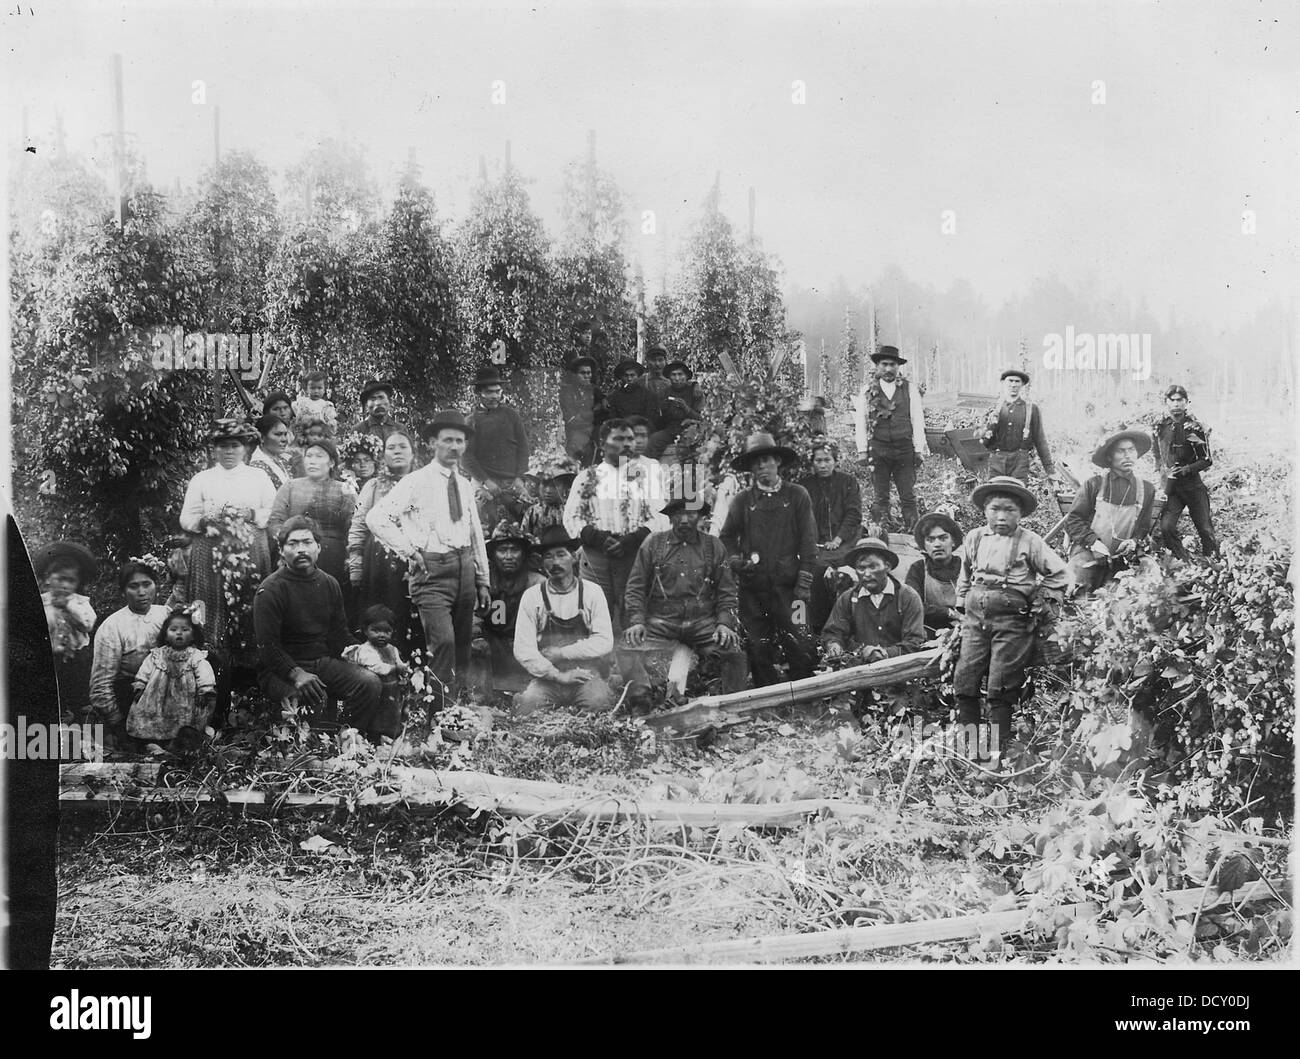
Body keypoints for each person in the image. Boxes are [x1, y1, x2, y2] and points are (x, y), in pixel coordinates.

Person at [367, 410, 492, 699]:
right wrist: (409, 550)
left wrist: (483, 580)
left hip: (465, 570)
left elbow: (475, 533)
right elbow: (377, 518)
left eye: (459, 441)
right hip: (432, 572)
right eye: (447, 440)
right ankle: (439, 712)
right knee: (444, 642)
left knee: (463, 642)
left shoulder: (464, 483)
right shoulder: (416, 482)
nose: (454, 447)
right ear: (432, 443)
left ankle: (458, 711)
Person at [954, 476, 1070, 766]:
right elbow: (966, 574)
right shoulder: (975, 537)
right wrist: (961, 603)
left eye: (1010, 510)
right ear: (985, 510)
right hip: (975, 621)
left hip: (1011, 624)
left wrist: (1042, 598)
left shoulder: (1030, 541)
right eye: (995, 509)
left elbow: (1060, 574)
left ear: (1020, 513)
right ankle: (971, 751)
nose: (1002, 516)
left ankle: (994, 757)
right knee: (964, 682)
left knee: (1000, 688)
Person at [253, 516, 389, 740]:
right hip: (282, 670)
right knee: (312, 697)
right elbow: (268, 648)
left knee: (370, 683)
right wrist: (297, 674)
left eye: (307, 542)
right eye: (293, 544)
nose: (301, 550)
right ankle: (312, 748)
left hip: (321, 662)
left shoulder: (329, 583)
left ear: (318, 547)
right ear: (281, 550)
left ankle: (346, 738)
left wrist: (368, 653)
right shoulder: (270, 589)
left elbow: (339, 635)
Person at [719, 432, 820, 686]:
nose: (762, 467)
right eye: (756, 463)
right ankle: (769, 699)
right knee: (756, 643)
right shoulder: (743, 501)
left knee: (800, 638)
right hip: (754, 588)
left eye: (766, 460)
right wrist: (736, 562)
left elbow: (809, 542)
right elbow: (727, 537)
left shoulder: (797, 495)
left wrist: (804, 583)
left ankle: (806, 694)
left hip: (791, 588)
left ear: (777, 462)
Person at [622, 496, 745, 701]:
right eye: (679, 514)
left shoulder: (714, 546)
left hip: (702, 622)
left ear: (700, 517)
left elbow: (727, 591)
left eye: (691, 513)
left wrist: (724, 624)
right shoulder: (653, 543)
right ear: (670, 517)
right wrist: (636, 622)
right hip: (661, 622)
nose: (685, 520)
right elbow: (635, 587)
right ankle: (642, 703)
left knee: (733, 651)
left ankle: (736, 706)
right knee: (626, 648)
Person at [178, 419, 275, 662]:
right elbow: (187, 517)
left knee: (249, 602)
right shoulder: (202, 479)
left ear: (245, 449)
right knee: (209, 606)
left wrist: (251, 514)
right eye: (223, 446)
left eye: (234, 445)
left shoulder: (258, 477)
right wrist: (204, 521)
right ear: (215, 449)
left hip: (249, 552)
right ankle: (208, 655)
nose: (229, 452)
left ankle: (250, 660)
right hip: (210, 553)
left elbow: (273, 512)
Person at [563, 418, 668, 637]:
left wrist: (634, 538)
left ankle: (631, 668)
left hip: (634, 554)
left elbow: (660, 514)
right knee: (593, 614)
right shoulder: (586, 477)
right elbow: (572, 518)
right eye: (619, 439)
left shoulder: (645, 475)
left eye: (630, 439)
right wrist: (597, 538)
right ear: (603, 444)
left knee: (634, 613)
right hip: (595, 557)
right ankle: (598, 666)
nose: (628, 444)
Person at [513, 526, 615, 715]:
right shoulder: (532, 596)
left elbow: (604, 641)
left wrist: (562, 652)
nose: (555, 562)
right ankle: (524, 696)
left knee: (599, 705)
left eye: (561, 555)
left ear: (574, 557)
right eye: (548, 557)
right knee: (526, 710)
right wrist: (559, 676)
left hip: (586, 675)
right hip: (548, 677)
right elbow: (522, 649)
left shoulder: (592, 592)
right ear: (542, 562)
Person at [348, 430, 419, 651]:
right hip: (378, 564)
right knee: (380, 614)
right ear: (384, 455)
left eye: (402, 447)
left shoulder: (424, 484)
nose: (397, 451)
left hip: (415, 559)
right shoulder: (373, 487)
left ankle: (413, 669)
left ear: (413, 453)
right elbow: (359, 524)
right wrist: (356, 565)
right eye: (391, 448)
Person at [1064, 430, 1158, 594]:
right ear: (1109, 457)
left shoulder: (1146, 489)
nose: (1127, 455)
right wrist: (1094, 543)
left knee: (1149, 582)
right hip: (1090, 552)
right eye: (1121, 451)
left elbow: (1143, 527)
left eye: (1131, 450)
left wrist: (1134, 542)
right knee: (1073, 589)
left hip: (1123, 558)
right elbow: (1073, 520)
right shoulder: (1094, 485)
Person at [89, 559, 171, 741]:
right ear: (123, 591)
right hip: (133, 698)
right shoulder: (113, 626)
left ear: (156, 585)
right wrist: (119, 725)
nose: (142, 592)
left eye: (147, 584)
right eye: (134, 586)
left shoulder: (165, 614)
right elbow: (100, 687)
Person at [268, 438, 358, 589]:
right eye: (309, 456)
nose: (312, 461)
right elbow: (275, 521)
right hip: (294, 554)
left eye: (319, 456)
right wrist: (286, 546)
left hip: (331, 557)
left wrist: (351, 559)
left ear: (332, 463)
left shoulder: (345, 489)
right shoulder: (290, 486)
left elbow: (353, 526)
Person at [821, 537, 926, 664]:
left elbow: (915, 642)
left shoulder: (908, 597)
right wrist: (834, 645)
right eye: (861, 568)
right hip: (857, 669)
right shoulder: (847, 599)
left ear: (887, 567)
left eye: (873, 567)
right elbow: (833, 631)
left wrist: (885, 653)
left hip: (899, 668)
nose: (866, 574)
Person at [857, 345, 929, 532]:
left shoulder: (909, 389)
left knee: (908, 495)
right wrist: (862, 450)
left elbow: (917, 419)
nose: (888, 369)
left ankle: (914, 533)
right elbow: (861, 422)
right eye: (884, 364)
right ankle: (880, 533)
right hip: (878, 449)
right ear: (877, 366)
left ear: (898, 367)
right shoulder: (867, 390)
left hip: (904, 449)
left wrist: (919, 449)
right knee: (880, 496)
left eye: (892, 365)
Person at [797, 440, 863, 631]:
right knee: (814, 571)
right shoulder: (805, 486)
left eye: (827, 460)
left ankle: (843, 625)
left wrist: (838, 539)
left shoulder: (848, 482)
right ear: (812, 463)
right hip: (817, 545)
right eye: (818, 460)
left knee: (841, 571)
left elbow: (854, 514)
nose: (823, 465)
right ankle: (814, 626)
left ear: (835, 460)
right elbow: (801, 519)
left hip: (845, 541)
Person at [471, 522, 544, 694]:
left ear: (524, 554)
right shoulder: (483, 585)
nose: (509, 556)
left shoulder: (537, 583)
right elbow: (473, 618)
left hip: (527, 647)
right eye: (502, 550)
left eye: (514, 550)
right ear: (493, 555)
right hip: (494, 646)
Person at [127, 608, 217, 744]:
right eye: (173, 630)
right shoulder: (157, 655)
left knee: (184, 723)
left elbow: (205, 674)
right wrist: (140, 685)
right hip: (158, 697)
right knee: (155, 719)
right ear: (165, 635)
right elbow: (145, 671)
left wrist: (205, 690)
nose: (179, 633)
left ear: (193, 635)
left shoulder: (196, 656)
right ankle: (154, 741)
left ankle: (179, 743)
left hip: (186, 698)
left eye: (185, 629)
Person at [1153, 384, 1219, 562]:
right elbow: (1157, 453)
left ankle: (1212, 563)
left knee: (1205, 529)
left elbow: (1207, 459)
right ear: (1166, 403)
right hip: (1172, 489)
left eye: (1179, 400)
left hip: (1193, 487)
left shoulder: (1194, 428)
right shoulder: (1160, 427)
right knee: (1166, 527)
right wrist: (1163, 470)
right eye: (1172, 400)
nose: (1176, 404)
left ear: (1186, 402)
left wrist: (1187, 469)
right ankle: (1184, 560)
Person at [35, 541, 98, 721]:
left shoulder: (80, 602)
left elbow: (88, 624)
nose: (65, 585)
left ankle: (85, 723)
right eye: (60, 578)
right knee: (55, 693)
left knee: (80, 692)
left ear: (77, 583)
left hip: (78, 656)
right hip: (52, 657)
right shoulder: (42, 602)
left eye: (70, 580)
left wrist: (69, 606)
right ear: (48, 578)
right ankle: (59, 725)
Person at [464, 365, 531, 525]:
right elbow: (466, 457)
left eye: (498, 391)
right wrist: (486, 481)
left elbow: (523, 449)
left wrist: (519, 478)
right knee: (482, 526)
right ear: (478, 393)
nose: (495, 396)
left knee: (527, 520)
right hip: (485, 484)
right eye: (489, 392)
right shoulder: (471, 421)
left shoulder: (511, 415)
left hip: (512, 482)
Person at [342, 605, 410, 739]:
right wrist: (394, 668)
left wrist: (402, 667)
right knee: (375, 717)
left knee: (391, 713)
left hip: (392, 691)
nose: (382, 635)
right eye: (376, 630)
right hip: (375, 692)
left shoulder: (392, 648)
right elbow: (376, 667)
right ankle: (373, 736)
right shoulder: (364, 650)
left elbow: (398, 662)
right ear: (366, 631)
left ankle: (390, 735)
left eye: (387, 631)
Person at [980, 369, 1057, 484]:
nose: (1013, 385)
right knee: (994, 495)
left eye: (1017, 381)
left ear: (1022, 385)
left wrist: (1050, 470)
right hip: (997, 460)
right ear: (1004, 383)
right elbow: (984, 441)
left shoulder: (1031, 409)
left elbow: (1040, 439)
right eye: (1010, 381)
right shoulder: (994, 408)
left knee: (1018, 495)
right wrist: (986, 431)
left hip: (1020, 462)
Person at [905, 513, 965, 635]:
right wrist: (949, 613)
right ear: (924, 545)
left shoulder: (965, 567)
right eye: (930, 540)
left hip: (965, 629)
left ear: (953, 542)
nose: (937, 544)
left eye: (943, 538)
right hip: (929, 632)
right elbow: (913, 605)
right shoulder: (918, 569)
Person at [646, 361, 702, 458]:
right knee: (653, 440)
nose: (677, 379)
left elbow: (702, 418)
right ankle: (653, 469)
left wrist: (686, 408)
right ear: (669, 377)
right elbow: (658, 423)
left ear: (686, 376)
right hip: (671, 430)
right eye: (673, 375)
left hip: (691, 430)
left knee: (693, 450)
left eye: (680, 374)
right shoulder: (664, 393)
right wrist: (662, 411)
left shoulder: (695, 392)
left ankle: (695, 472)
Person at [521, 459, 577, 540]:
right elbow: (524, 536)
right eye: (545, 484)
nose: (548, 491)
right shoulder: (533, 512)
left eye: (554, 486)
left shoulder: (570, 511)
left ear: (564, 487)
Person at [560, 356, 601, 465]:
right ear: (574, 375)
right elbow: (572, 418)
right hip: (576, 433)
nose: (587, 376)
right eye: (583, 373)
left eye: (589, 373)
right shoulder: (568, 392)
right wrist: (591, 413)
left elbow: (603, 409)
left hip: (594, 432)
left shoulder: (595, 390)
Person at [249, 412, 297, 493]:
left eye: (285, 434)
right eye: (278, 434)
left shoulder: (286, 458)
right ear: (262, 437)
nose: (284, 439)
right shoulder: (256, 467)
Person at [605, 358, 661, 424]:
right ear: (621, 377)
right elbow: (613, 418)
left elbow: (651, 418)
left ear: (637, 376)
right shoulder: (614, 397)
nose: (629, 379)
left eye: (632, 375)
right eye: (626, 376)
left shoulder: (647, 395)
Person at [357, 378, 410, 444]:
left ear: (390, 402)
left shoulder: (400, 429)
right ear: (366, 405)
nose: (378, 403)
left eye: (381, 397)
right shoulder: (358, 430)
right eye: (373, 399)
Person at [340, 432, 384, 496]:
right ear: (351, 465)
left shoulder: (385, 485)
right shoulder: (346, 488)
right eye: (357, 461)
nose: (363, 465)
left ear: (374, 462)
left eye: (367, 460)